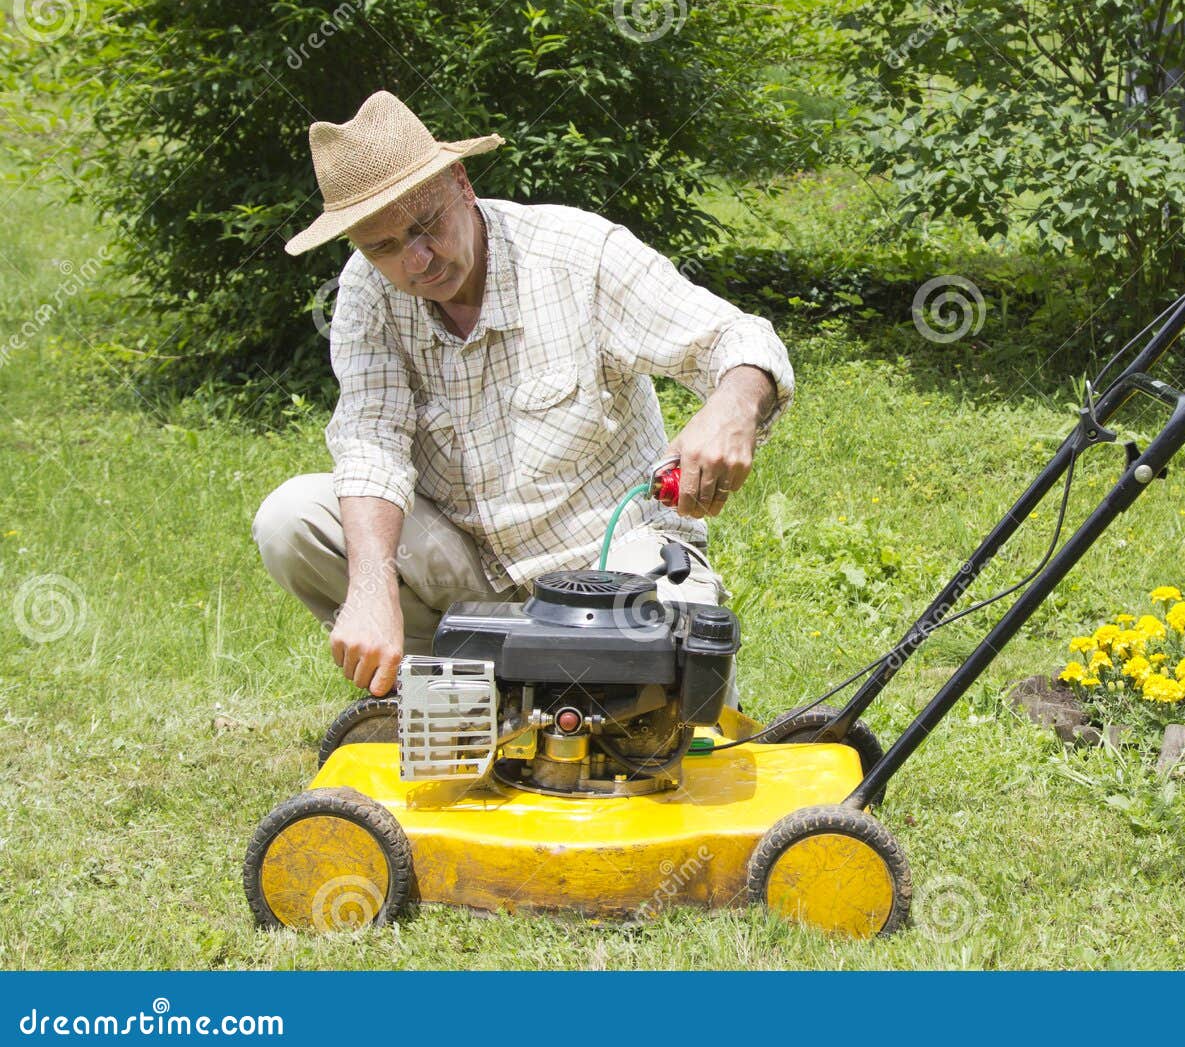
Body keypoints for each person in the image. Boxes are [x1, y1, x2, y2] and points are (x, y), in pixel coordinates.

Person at [252, 90, 792, 699]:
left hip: (610, 561)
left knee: (674, 697)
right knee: (290, 519)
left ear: (460, 181)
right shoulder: (367, 294)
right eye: (383, 247)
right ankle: (454, 691)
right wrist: (371, 587)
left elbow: (740, 337)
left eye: (425, 225)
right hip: (467, 573)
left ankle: (602, 694)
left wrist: (733, 406)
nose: (418, 260)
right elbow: (372, 441)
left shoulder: (577, 255)